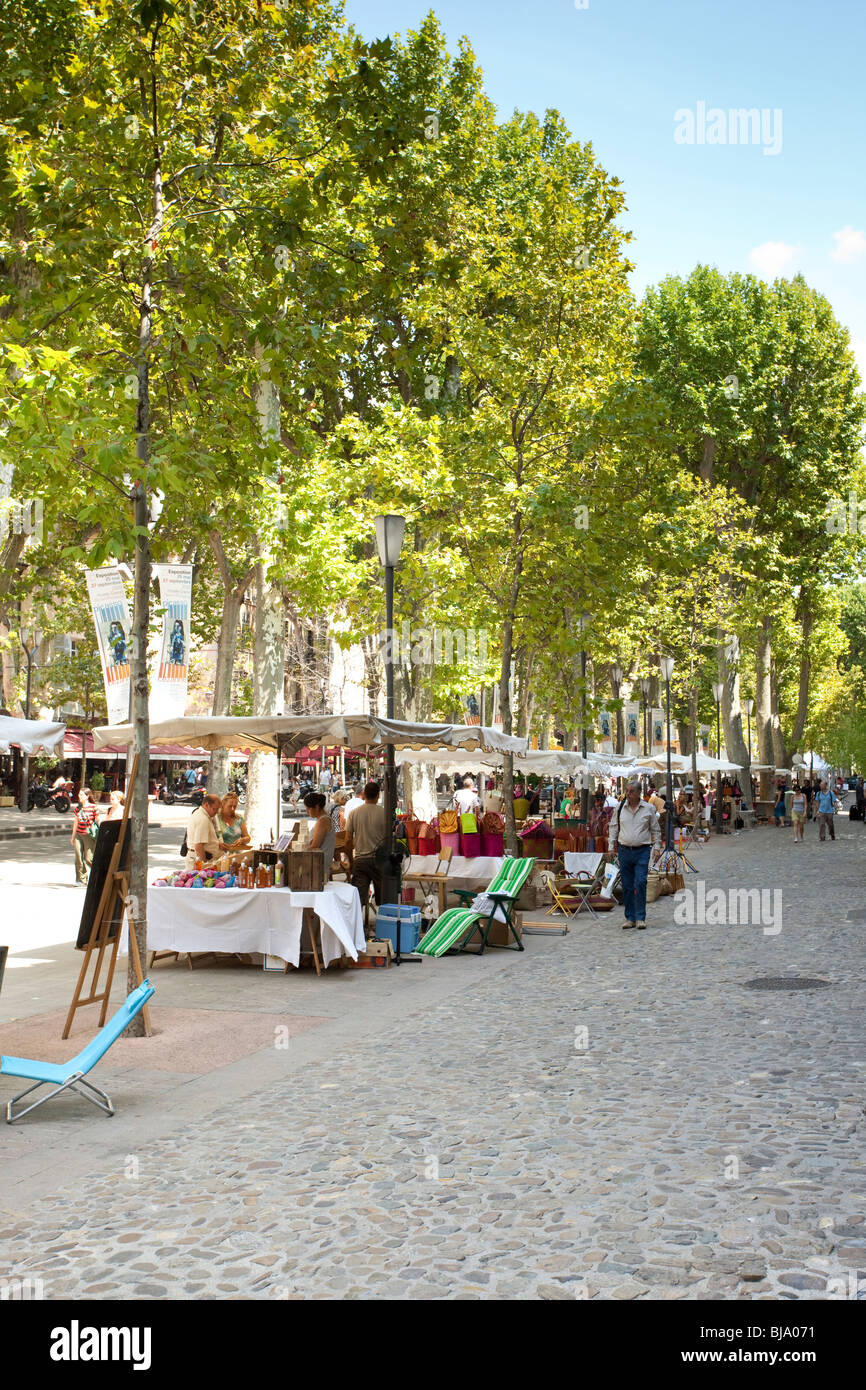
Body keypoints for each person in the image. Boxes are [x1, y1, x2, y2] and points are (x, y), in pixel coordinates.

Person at [609, 775, 661, 930]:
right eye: (627, 791)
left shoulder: (648, 809)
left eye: (631, 791)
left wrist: (657, 847)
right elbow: (613, 827)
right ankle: (630, 917)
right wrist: (611, 846)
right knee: (627, 884)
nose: (628, 794)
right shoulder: (619, 808)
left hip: (642, 850)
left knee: (640, 882)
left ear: (638, 793)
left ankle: (640, 917)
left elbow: (656, 829)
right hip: (624, 850)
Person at [345, 781, 387, 916]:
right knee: (384, 900)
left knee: (358, 900)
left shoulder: (354, 813)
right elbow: (389, 838)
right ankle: (384, 926)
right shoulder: (384, 813)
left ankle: (358, 929)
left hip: (361, 859)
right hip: (380, 860)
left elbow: (347, 840)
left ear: (363, 795)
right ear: (378, 795)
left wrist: (350, 861)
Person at [304, 792, 337, 880]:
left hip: (318, 863)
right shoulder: (323, 819)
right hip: (319, 862)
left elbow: (315, 845)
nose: (307, 811)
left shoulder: (323, 821)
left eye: (308, 808)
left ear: (317, 807)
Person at [70, 787, 99, 884]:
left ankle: (99, 873)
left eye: (82, 794)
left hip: (89, 835)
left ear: (87, 796)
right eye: (79, 794)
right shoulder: (78, 808)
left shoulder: (93, 807)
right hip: (79, 834)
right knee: (78, 857)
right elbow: (75, 822)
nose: (79, 796)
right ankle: (81, 879)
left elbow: (98, 821)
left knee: (88, 858)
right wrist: (73, 836)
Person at [186, 792, 221, 868]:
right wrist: (204, 865)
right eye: (215, 809)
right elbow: (198, 846)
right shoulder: (203, 819)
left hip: (195, 857)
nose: (216, 812)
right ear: (206, 805)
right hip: (198, 859)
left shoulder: (199, 813)